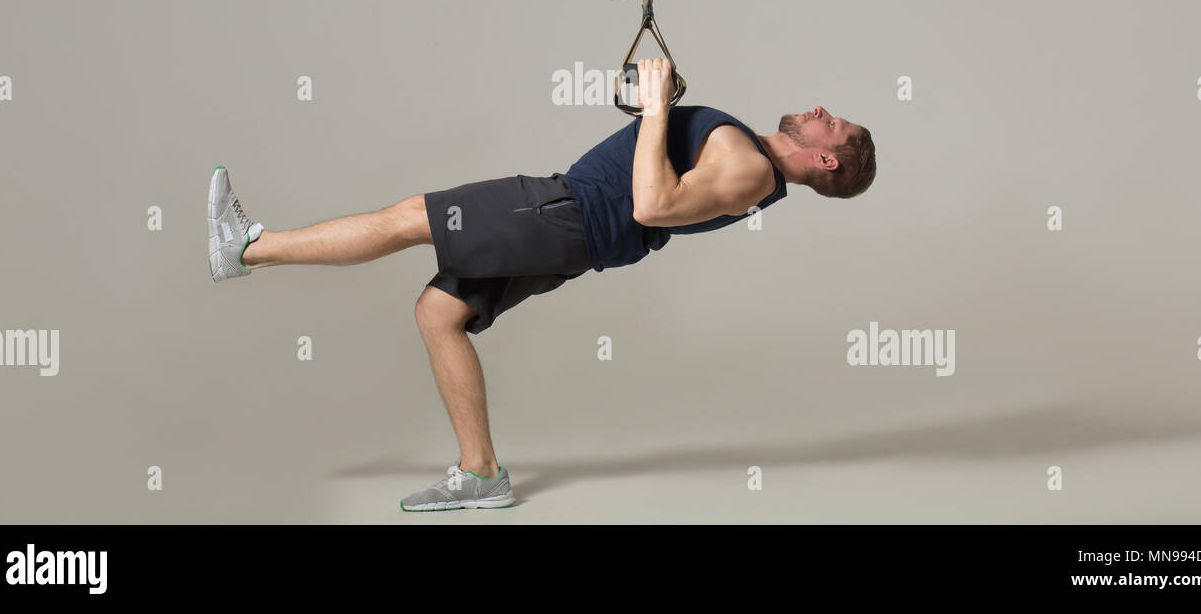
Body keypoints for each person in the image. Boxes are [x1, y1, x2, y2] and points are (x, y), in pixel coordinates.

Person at [206, 59, 876, 510]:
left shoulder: (752, 169)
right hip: (574, 231)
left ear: (824, 159)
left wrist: (651, 110)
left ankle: (247, 248)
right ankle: (481, 475)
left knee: (414, 216)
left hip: (567, 215)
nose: (821, 111)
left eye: (833, 123)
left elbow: (651, 206)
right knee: (439, 313)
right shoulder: (747, 157)